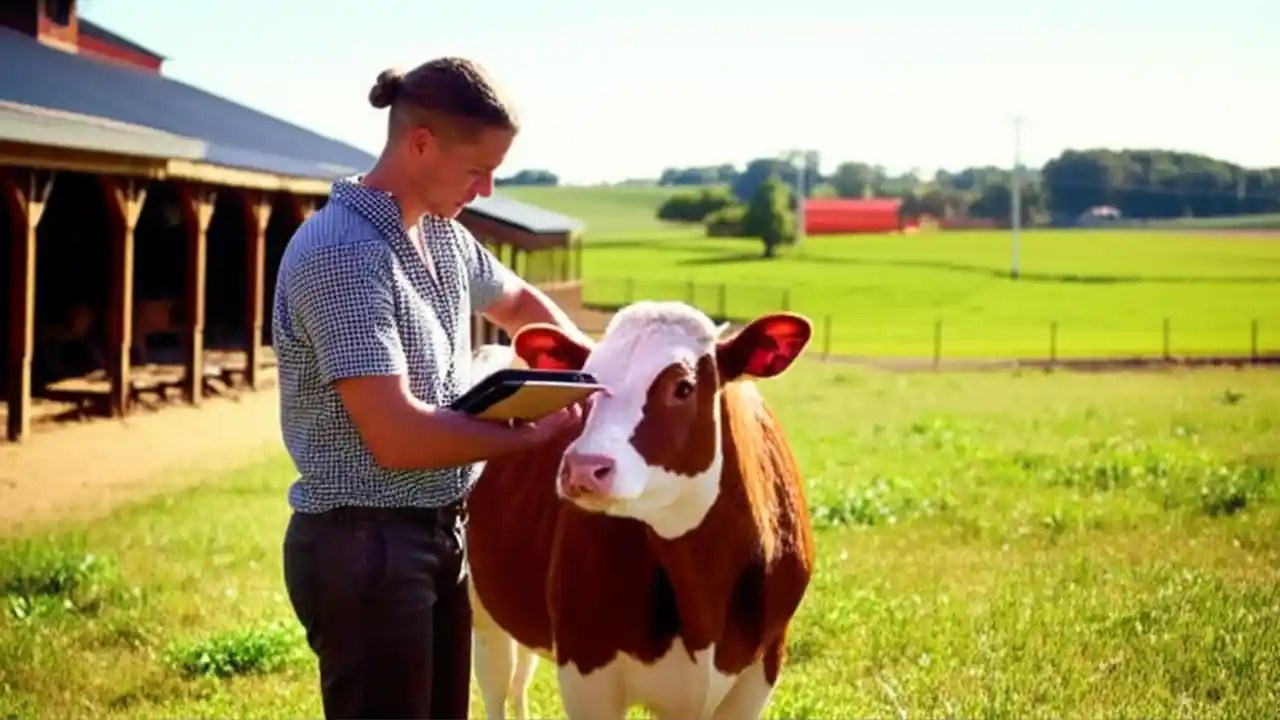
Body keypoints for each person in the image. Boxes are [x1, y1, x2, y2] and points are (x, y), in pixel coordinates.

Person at [271, 57, 593, 719]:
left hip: (439, 535)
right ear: (421, 144)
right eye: (478, 170)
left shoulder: (444, 237)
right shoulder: (344, 254)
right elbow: (396, 435)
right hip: (365, 550)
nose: (485, 190)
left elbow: (521, 302)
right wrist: (530, 435)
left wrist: (592, 376)